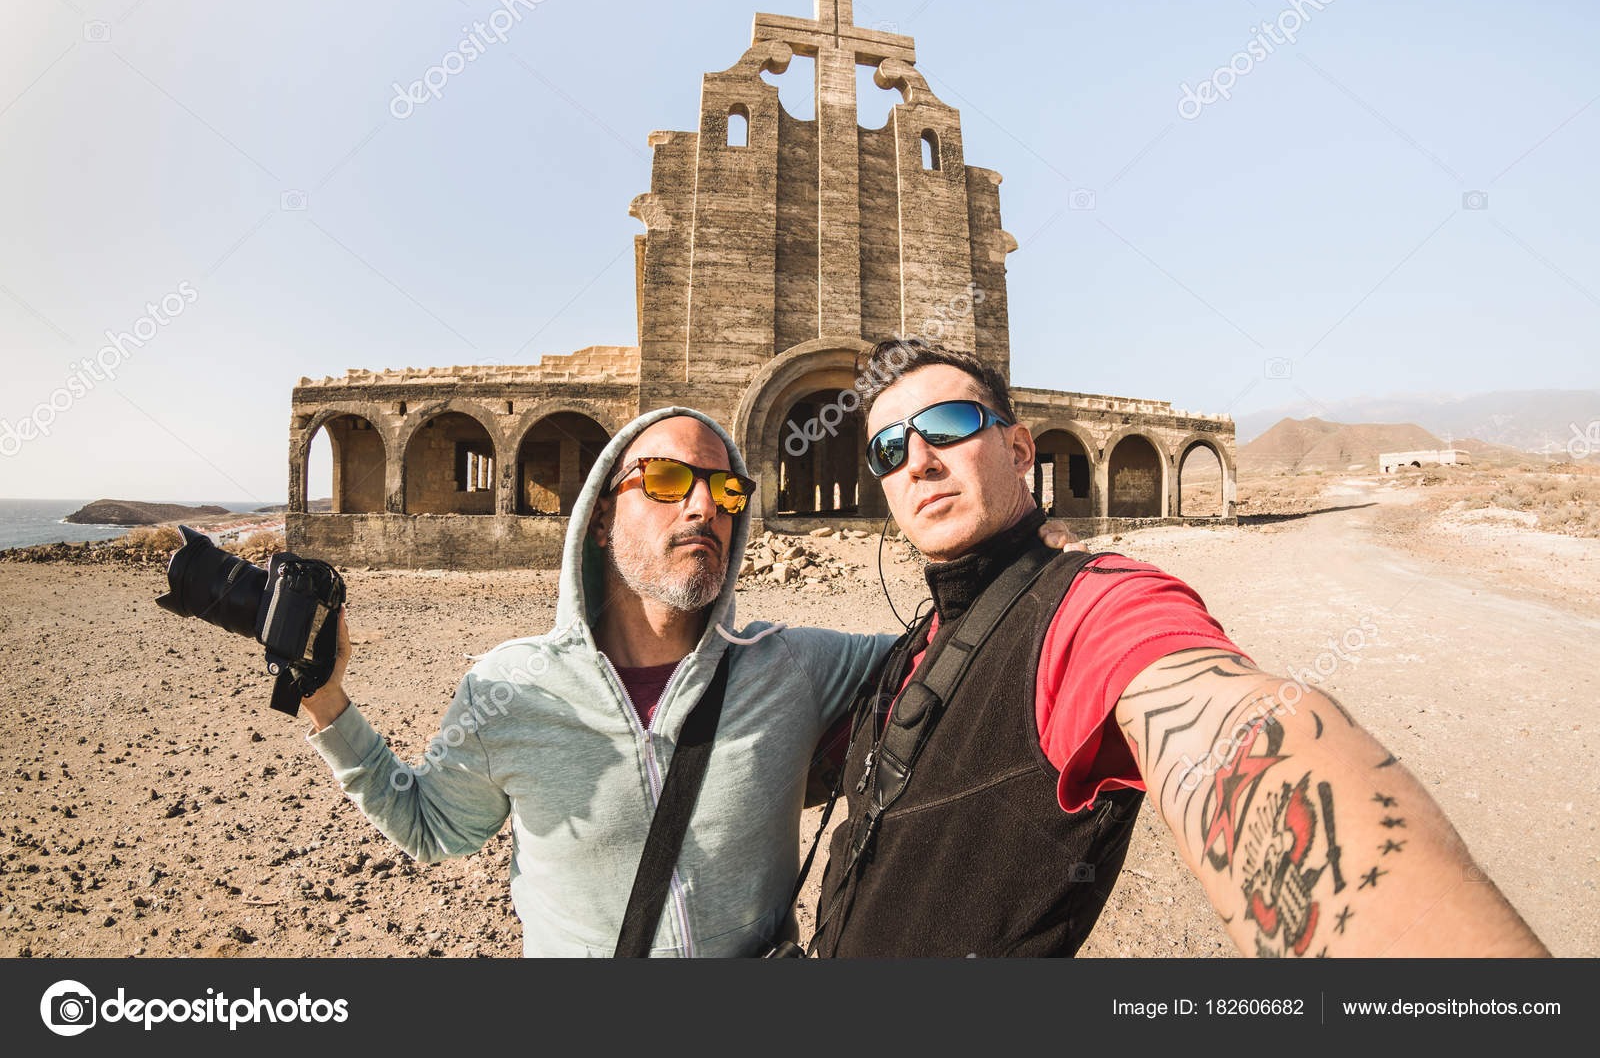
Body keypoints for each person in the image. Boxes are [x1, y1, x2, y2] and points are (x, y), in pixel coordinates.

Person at [810, 340, 1549, 958]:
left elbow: (1225, 719)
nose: (917, 459)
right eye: (887, 447)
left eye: (946, 424)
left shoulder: (1089, 608)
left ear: (1018, 445)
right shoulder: (909, 650)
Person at [297, 405, 1075, 956]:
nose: (705, 505)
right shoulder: (513, 686)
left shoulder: (794, 665)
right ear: (602, 516)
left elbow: (953, 652)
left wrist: (1017, 554)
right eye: (668, 480)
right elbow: (431, 826)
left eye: (727, 490)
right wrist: (324, 696)